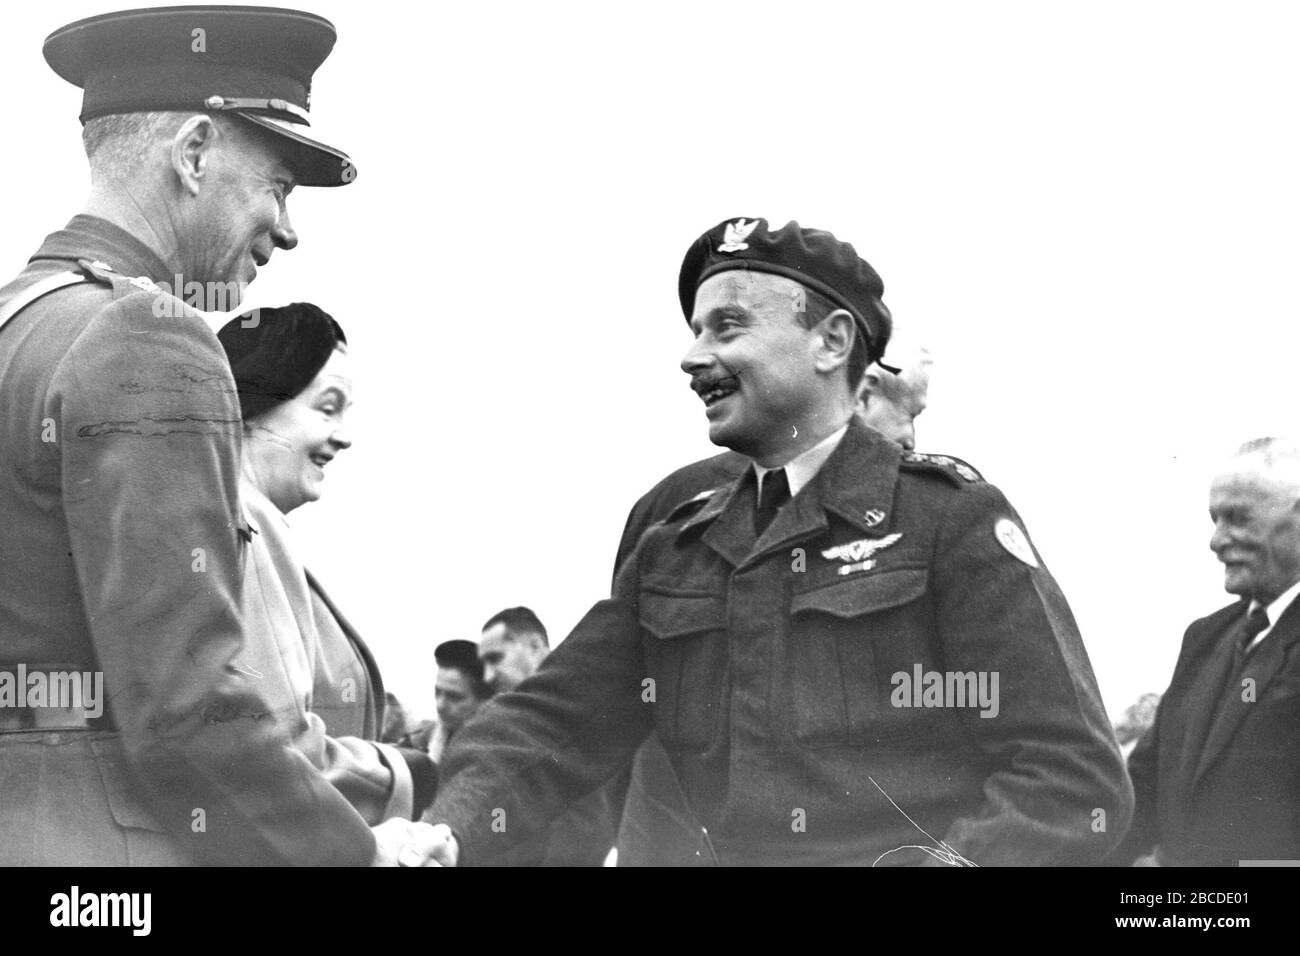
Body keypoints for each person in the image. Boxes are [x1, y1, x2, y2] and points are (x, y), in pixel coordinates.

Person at [425, 216, 1131, 866]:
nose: (691, 357)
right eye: (696, 330)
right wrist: (441, 834)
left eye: (726, 327)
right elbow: (550, 726)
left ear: (831, 342)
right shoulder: (679, 550)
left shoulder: (950, 523)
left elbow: (1072, 779)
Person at [0, 7, 435, 866]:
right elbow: (186, 706)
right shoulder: (151, 335)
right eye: (278, 185)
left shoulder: (20, 325)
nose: (289, 228)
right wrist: (356, 857)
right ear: (194, 153)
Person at [611, 343, 937, 865]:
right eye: (913, 414)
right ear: (863, 394)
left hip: (667, 833)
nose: (912, 441)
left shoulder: (666, 501)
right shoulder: (679, 510)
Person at [216, 303, 438, 821]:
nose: (345, 435)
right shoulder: (245, 526)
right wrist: (402, 775)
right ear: (253, 404)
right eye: (327, 407)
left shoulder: (243, 525)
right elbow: (273, 748)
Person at [1113, 438, 1300, 866]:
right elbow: (1140, 793)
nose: (1216, 541)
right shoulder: (1205, 638)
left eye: (1238, 519)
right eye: (1215, 520)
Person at [472, 608, 619, 865]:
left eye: (495, 658)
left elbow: (584, 833)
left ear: (535, 646)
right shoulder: (518, 719)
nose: (487, 676)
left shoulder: (577, 707)